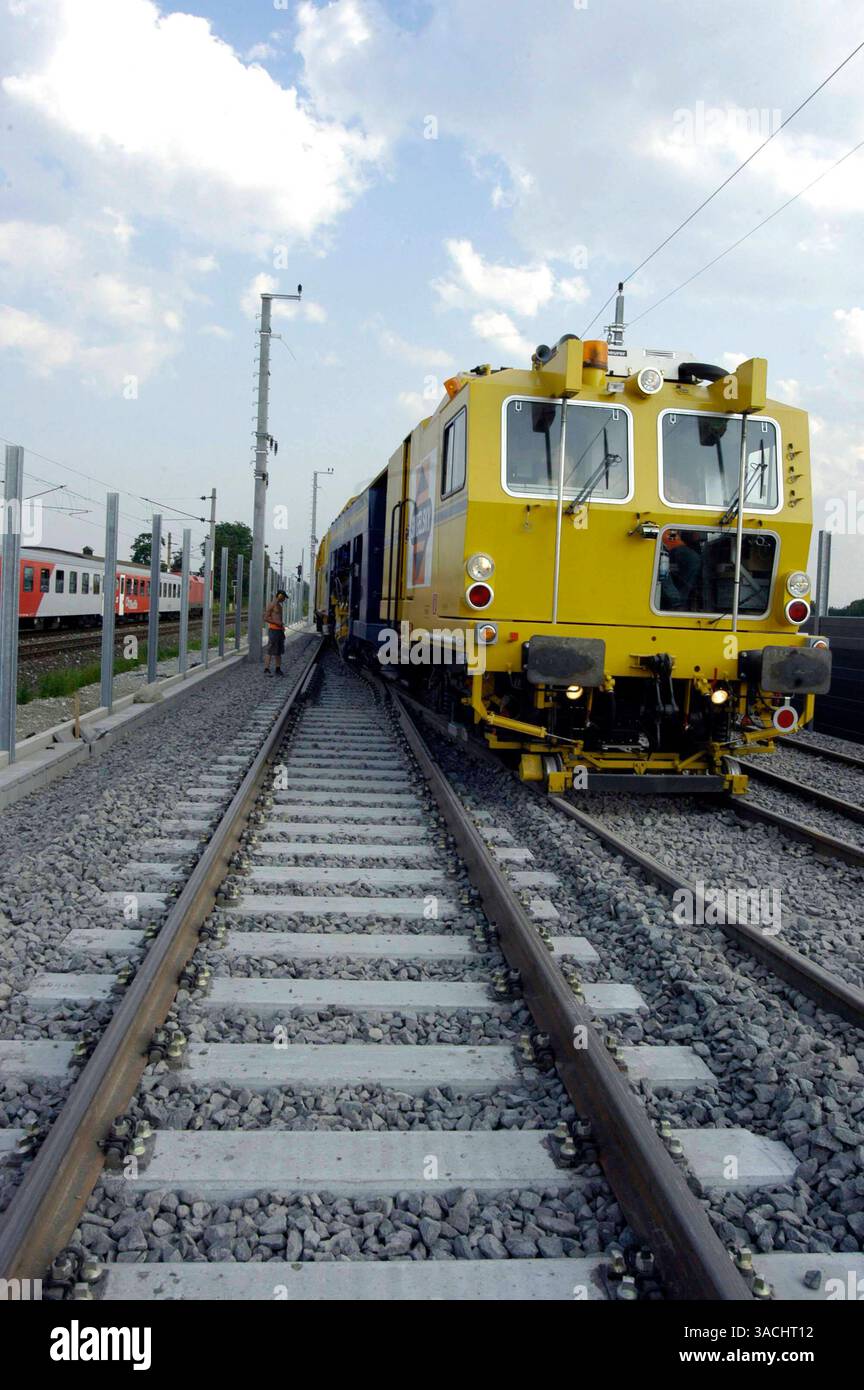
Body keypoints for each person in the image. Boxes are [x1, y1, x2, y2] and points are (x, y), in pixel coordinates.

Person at [659, 530, 702, 611]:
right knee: (661, 568)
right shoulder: (670, 532)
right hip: (665, 541)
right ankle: (677, 602)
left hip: (674, 543)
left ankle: (679, 600)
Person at [263, 590, 288, 675]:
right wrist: (277, 623)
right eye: (284, 597)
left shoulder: (279, 606)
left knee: (279, 650)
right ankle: (266, 669)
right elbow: (266, 618)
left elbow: (279, 619)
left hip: (279, 631)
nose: (284, 599)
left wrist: (282, 626)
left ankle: (278, 668)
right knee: (270, 649)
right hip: (273, 631)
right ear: (280, 596)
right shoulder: (272, 604)